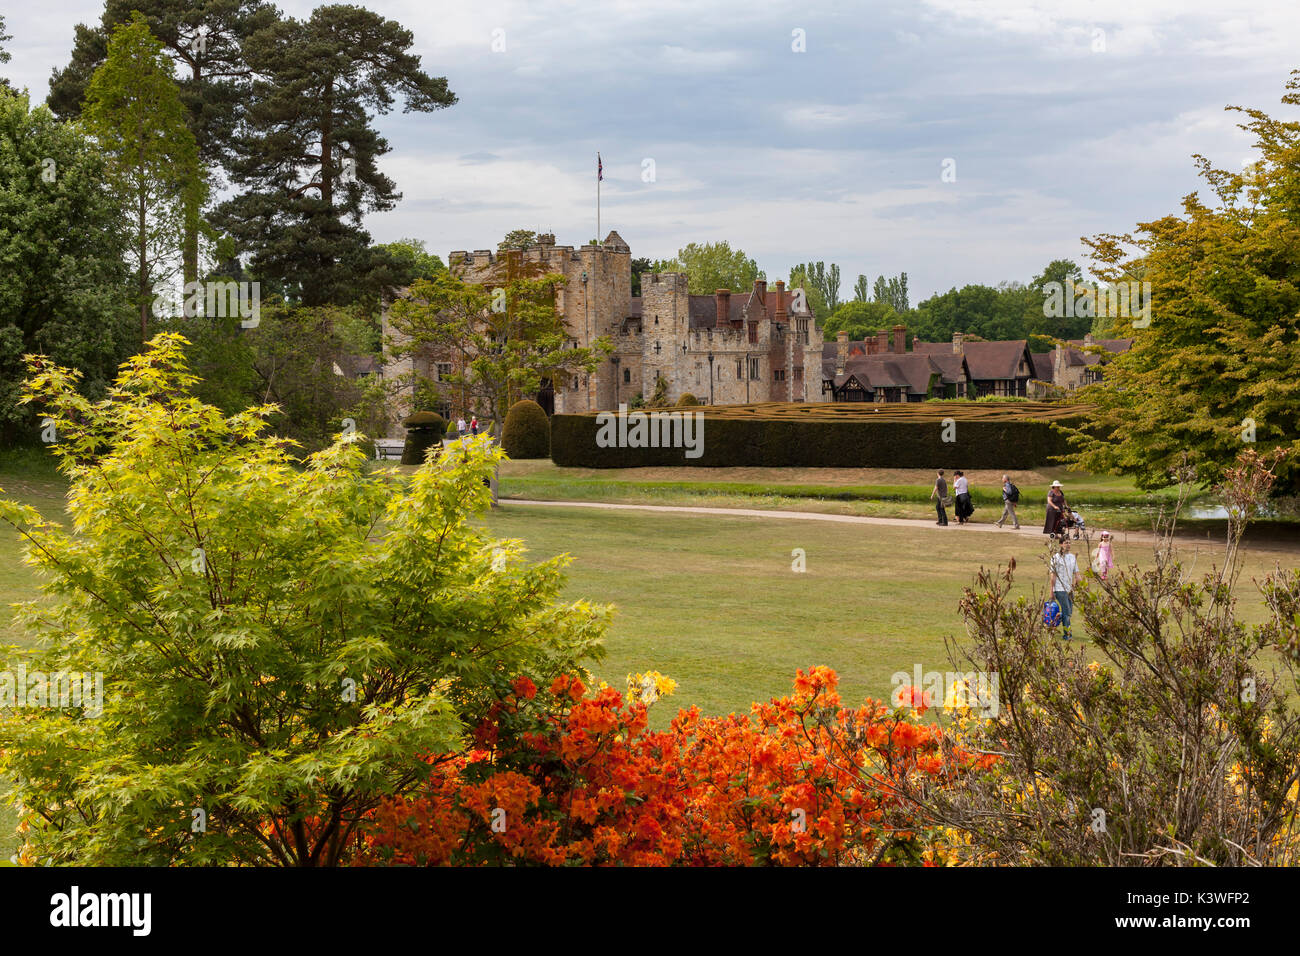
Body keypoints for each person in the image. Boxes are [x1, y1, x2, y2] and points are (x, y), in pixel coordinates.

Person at [1049, 539, 1081, 639]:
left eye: (1069, 542)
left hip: (1069, 589)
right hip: (1059, 589)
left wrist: (1080, 585)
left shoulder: (1072, 557)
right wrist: (1052, 591)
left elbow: (1077, 574)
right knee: (1067, 612)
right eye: (1066, 543)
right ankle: (1067, 635)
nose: (1068, 544)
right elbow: (1053, 576)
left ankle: (1056, 619)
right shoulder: (1055, 558)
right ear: (1061, 544)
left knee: (1069, 612)